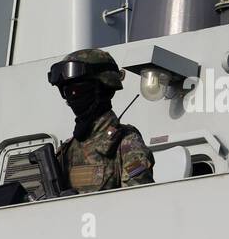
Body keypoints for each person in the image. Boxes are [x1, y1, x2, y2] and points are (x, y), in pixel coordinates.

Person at [47, 49, 155, 193]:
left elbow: (135, 201)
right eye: (67, 93)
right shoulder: (66, 151)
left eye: (76, 91)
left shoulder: (127, 143)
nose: (72, 99)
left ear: (103, 89)